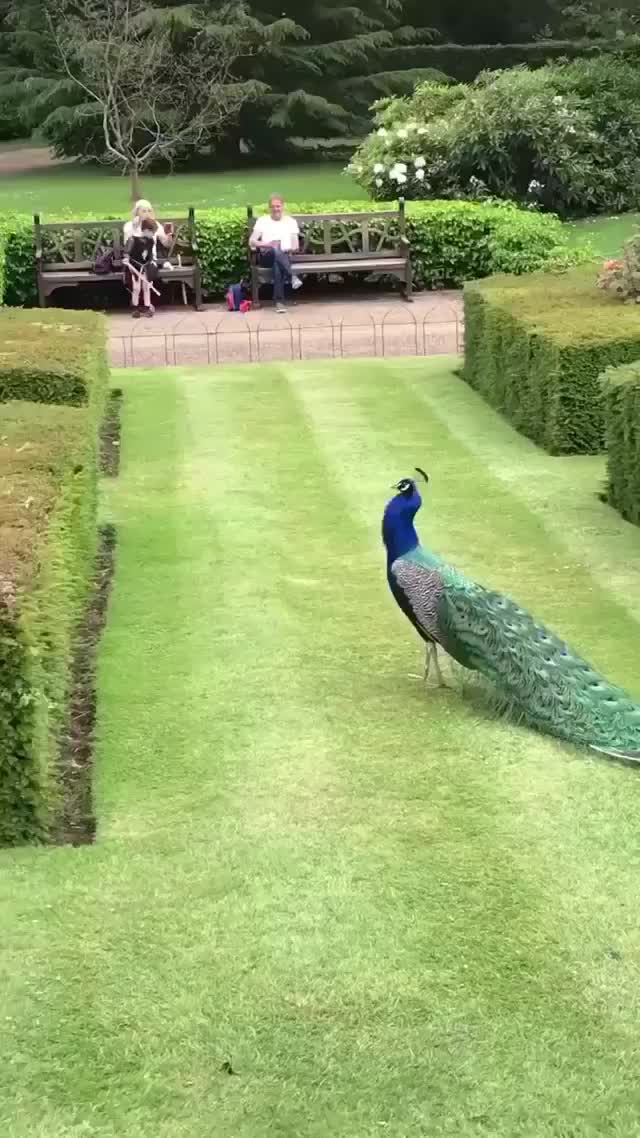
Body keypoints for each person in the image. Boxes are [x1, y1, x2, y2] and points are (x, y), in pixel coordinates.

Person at [249, 193, 303, 314]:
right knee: (275, 248)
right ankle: (292, 275)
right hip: (267, 255)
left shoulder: (290, 222)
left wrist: (289, 248)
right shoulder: (262, 221)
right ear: (269, 208)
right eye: (273, 206)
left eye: (278, 206)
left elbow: (295, 245)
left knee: (277, 263)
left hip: (285, 254)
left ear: (282, 206)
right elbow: (251, 241)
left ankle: (279, 302)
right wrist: (268, 244)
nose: (275, 209)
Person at [123, 199, 172, 318]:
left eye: (149, 211)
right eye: (144, 211)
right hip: (134, 262)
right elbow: (128, 244)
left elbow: (166, 243)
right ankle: (135, 306)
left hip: (150, 261)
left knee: (146, 284)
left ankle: (146, 306)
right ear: (137, 212)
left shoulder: (154, 225)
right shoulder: (130, 226)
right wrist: (135, 227)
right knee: (136, 285)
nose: (147, 213)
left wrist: (169, 236)